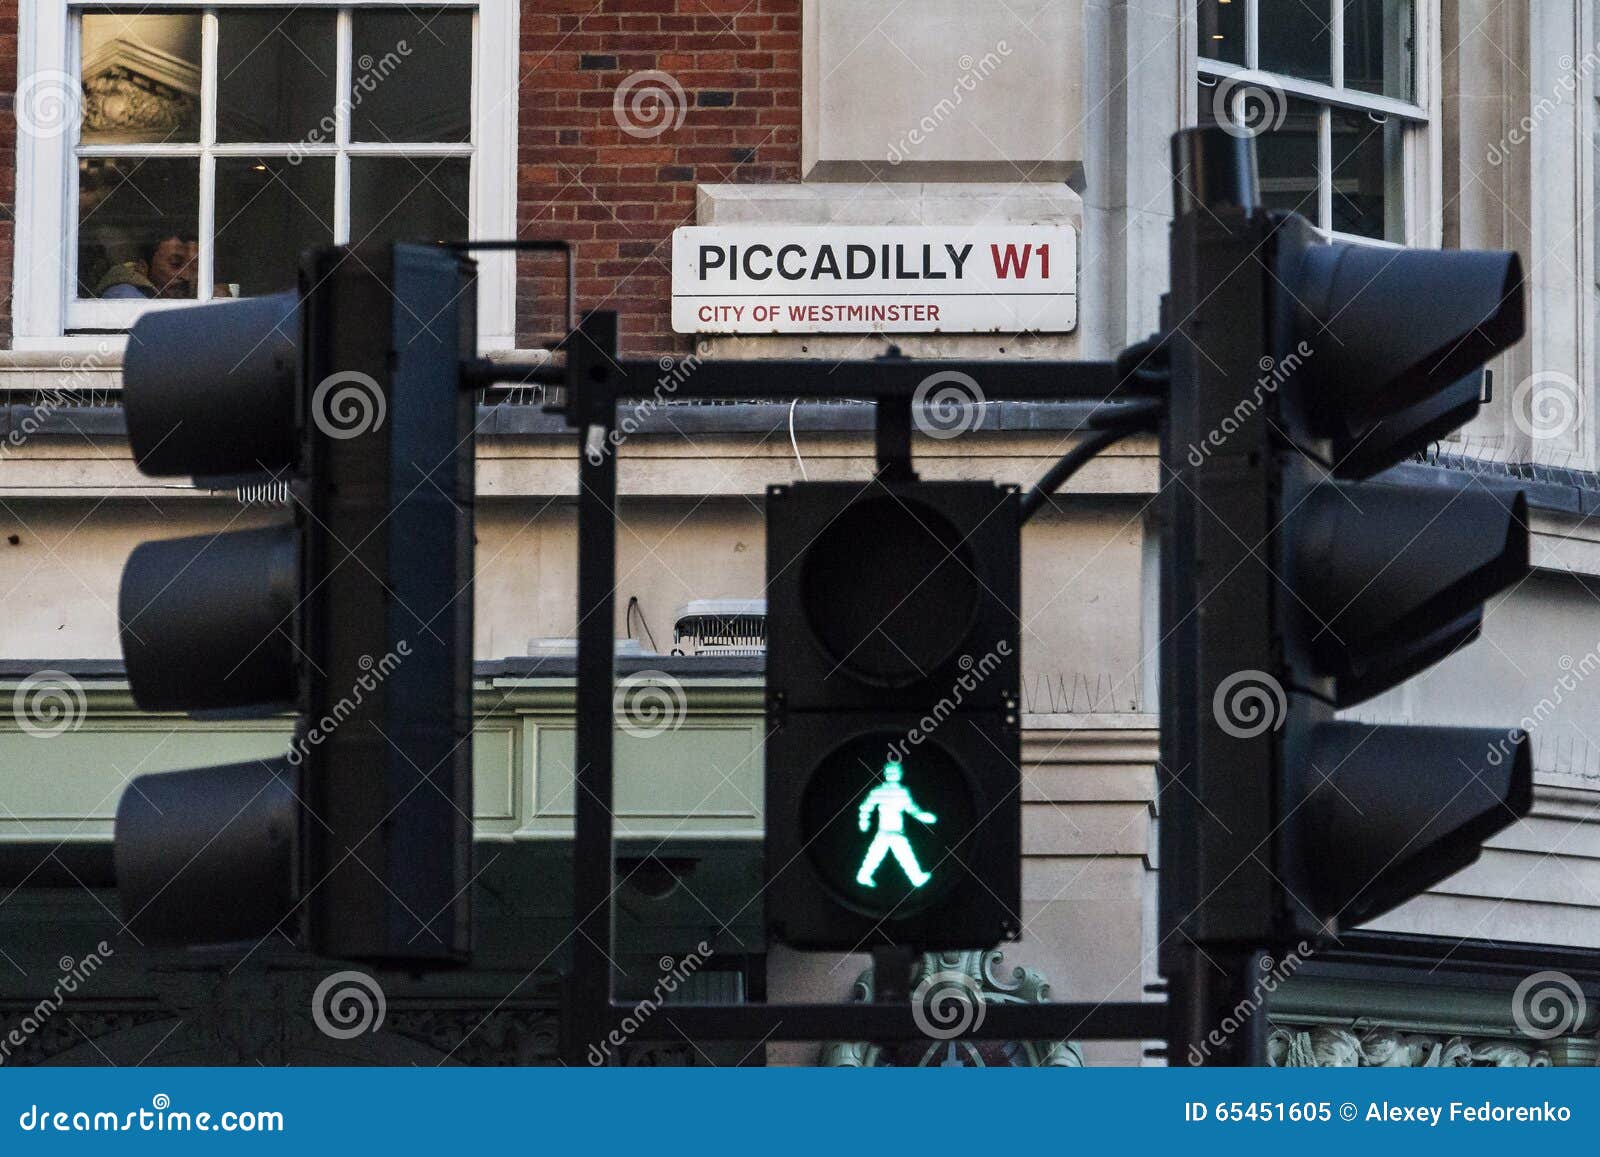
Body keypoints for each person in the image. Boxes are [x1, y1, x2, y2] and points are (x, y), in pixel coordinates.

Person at [854, 760, 937, 889]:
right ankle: (916, 878)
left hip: (896, 831)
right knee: (889, 855)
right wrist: (863, 821)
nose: (893, 774)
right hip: (886, 831)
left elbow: (912, 810)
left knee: (889, 854)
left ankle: (864, 876)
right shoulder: (879, 791)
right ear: (885, 774)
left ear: (900, 773)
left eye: (895, 772)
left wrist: (924, 817)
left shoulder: (903, 792)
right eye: (890, 772)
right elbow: (865, 807)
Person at [95, 235, 198, 299]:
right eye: (175, 263)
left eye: (194, 266)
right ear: (143, 267)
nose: (187, 276)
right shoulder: (124, 296)